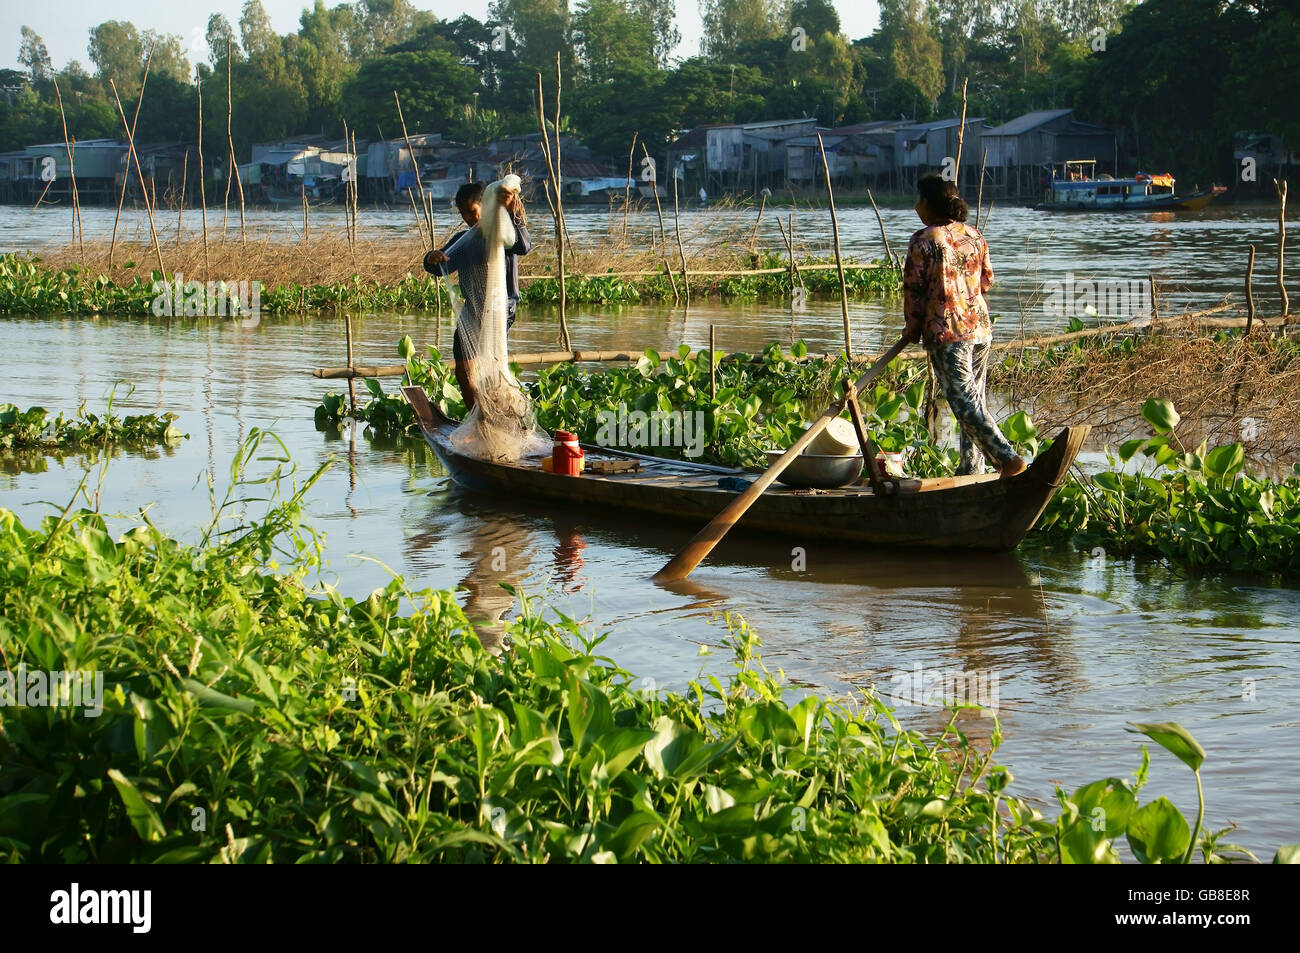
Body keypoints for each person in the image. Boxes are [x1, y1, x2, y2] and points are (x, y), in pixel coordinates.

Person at [902, 173, 1027, 479]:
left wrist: (912, 325)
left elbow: (913, 290)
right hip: (980, 327)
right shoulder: (974, 236)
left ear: (930, 204)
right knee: (974, 399)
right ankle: (971, 469)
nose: (917, 205)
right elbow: (987, 281)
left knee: (963, 400)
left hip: (948, 331)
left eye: (920, 199)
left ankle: (1007, 458)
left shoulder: (924, 240)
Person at [423, 181, 531, 411]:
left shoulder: (503, 234)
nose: (468, 218)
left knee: (490, 367)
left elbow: (524, 246)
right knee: (463, 370)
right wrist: (431, 257)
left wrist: (513, 213)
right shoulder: (466, 240)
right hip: (473, 309)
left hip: (501, 309)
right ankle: (478, 418)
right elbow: (440, 264)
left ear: (485, 206)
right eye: (463, 213)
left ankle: (501, 414)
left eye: (472, 212)